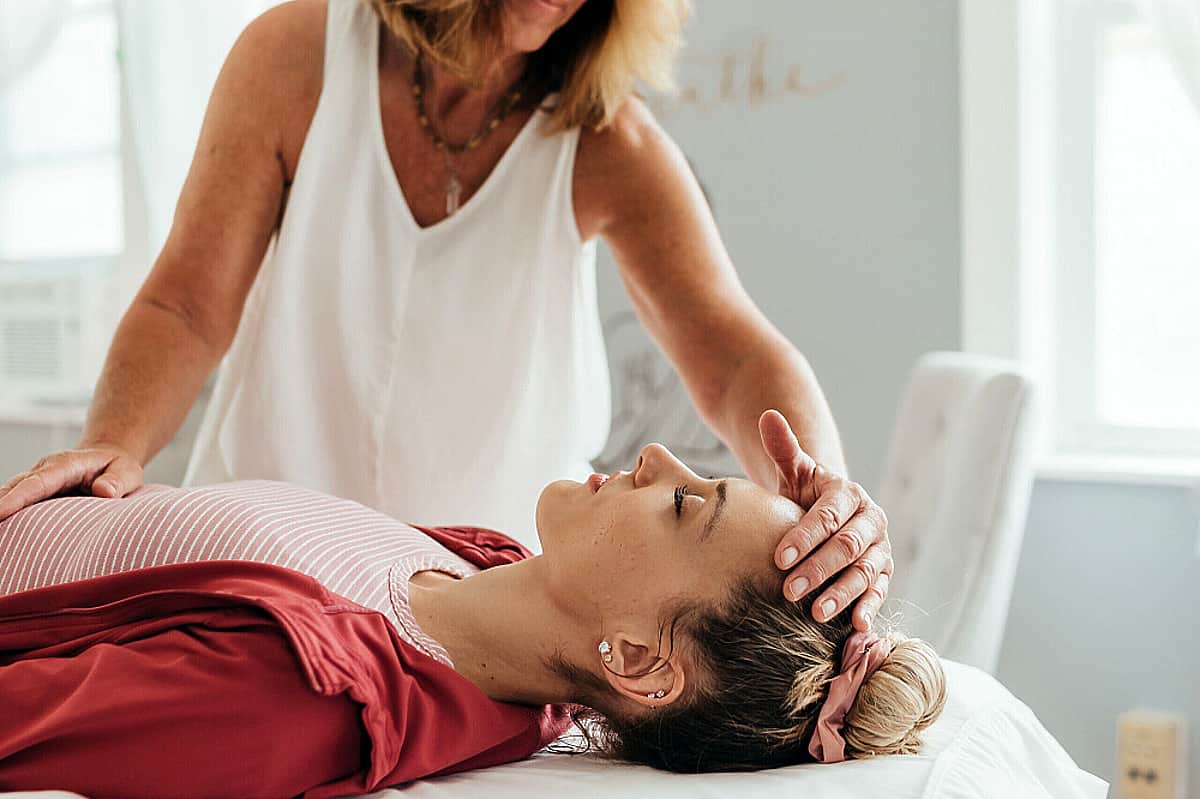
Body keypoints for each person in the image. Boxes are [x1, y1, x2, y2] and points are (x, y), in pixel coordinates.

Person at [0, 0, 895, 631]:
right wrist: (115, 444)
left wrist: (823, 499)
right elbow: (185, 305)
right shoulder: (293, 57)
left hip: (488, 616)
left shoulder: (608, 144)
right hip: (255, 581)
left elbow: (736, 355)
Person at [0, 438, 944, 797]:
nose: (659, 455)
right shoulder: (470, 563)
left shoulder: (312, 692)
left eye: (687, 505)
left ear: (636, 661)